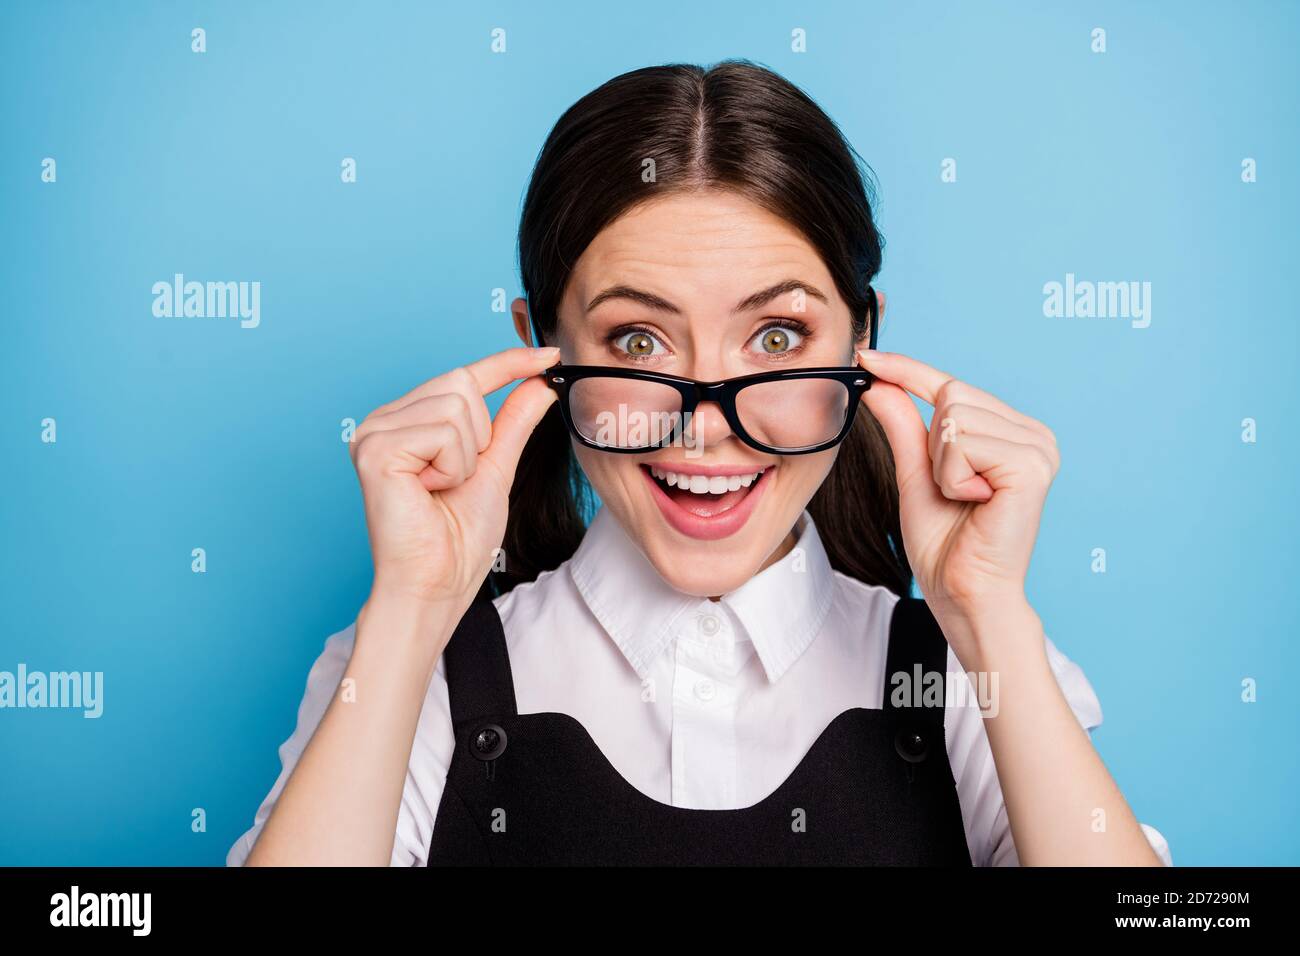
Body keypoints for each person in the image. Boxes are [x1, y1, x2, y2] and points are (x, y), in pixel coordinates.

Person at [229, 60, 1171, 866]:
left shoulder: (975, 672)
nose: (704, 429)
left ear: (866, 338)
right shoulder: (405, 668)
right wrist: (409, 613)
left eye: (776, 335)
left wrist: (991, 614)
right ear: (542, 351)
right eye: (638, 342)